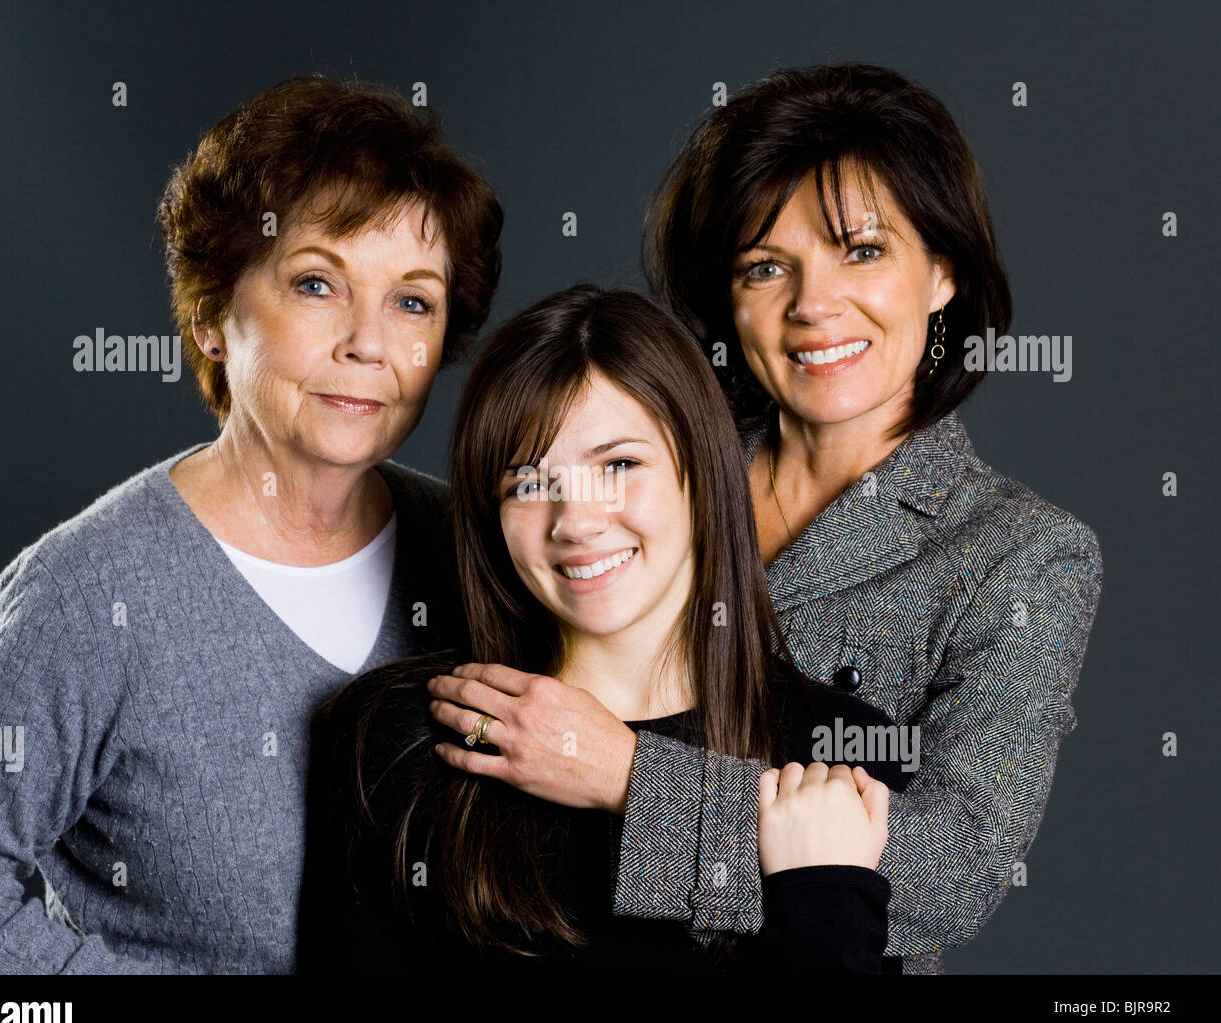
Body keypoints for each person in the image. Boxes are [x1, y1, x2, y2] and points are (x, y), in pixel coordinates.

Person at [421, 64, 1103, 973]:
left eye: (862, 251)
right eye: (766, 266)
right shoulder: (651, 460)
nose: (813, 306)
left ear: (943, 272)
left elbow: (953, 869)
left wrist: (626, 775)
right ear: (725, 299)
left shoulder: (1020, 555)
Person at [0, 76, 502, 973]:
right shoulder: (88, 592)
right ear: (210, 317)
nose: (369, 343)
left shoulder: (485, 552)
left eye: (412, 301)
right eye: (318, 283)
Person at [299, 286, 906, 974]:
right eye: (528, 481)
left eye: (618, 465)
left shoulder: (838, 757)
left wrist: (818, 898)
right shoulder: (398, 740)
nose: (576, 521)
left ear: (700, 474)